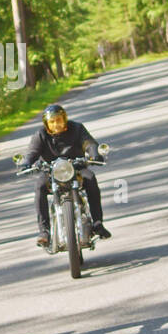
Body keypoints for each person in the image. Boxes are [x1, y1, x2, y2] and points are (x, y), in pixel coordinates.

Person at [22, 104, 111, 247]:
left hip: (76, 168)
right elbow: (32, 152)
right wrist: (26, 162)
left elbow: (88, 143)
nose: (56, 124)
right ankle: (44, 231)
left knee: (90, 179)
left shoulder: (77, 129)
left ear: (65, 119)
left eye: (59, 120)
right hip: (51, 171)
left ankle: (98, 223)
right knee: (39, 186)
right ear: (47, 124)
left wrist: (94, 154)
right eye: (52, 122)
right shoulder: (41, 135)